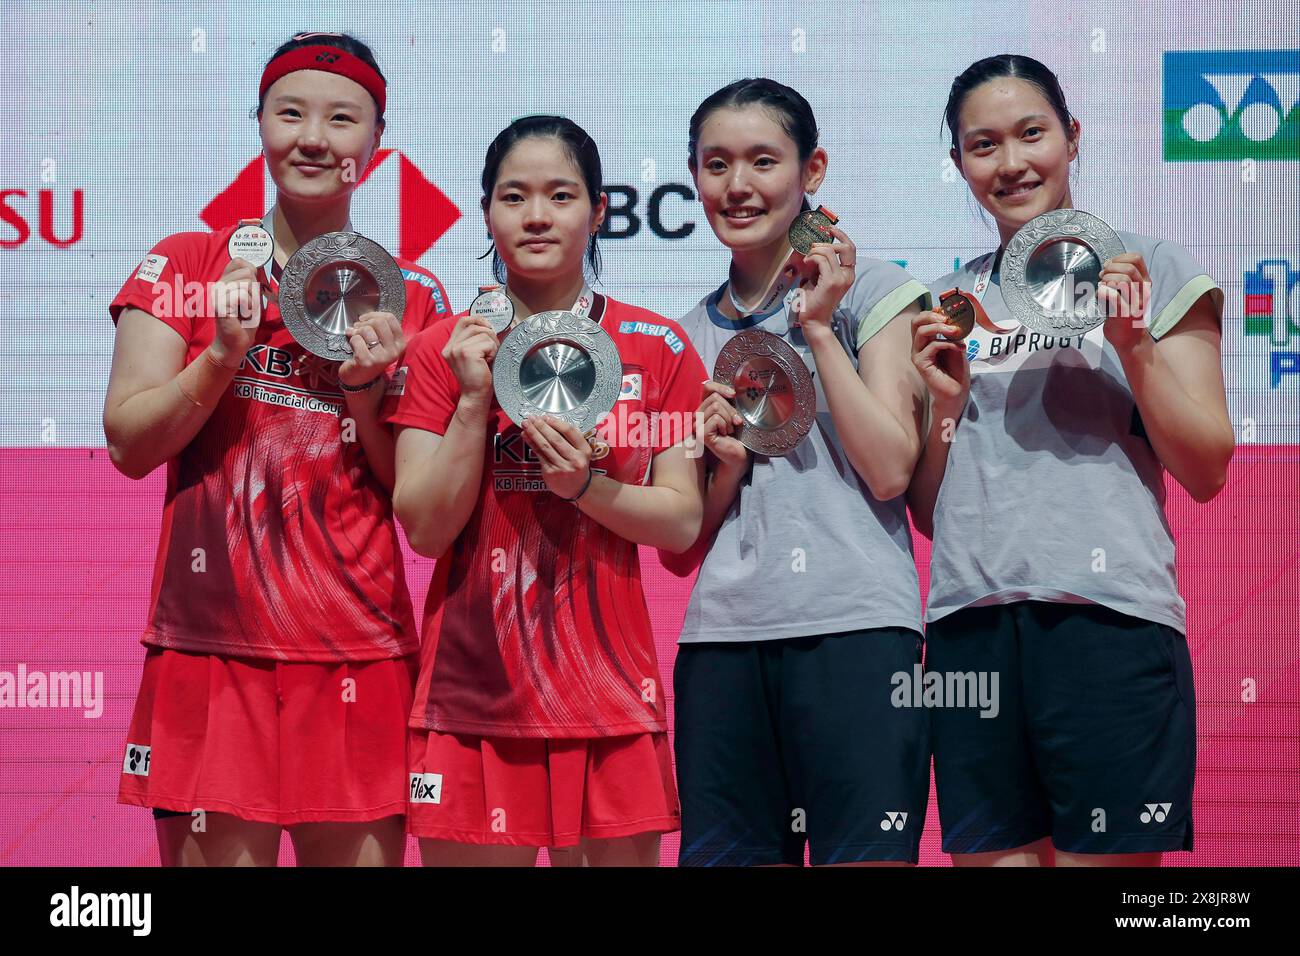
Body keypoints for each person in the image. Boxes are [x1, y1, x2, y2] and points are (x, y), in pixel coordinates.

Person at [104, 31, 452, 866]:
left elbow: (417, 508)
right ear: (257, 122)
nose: (313, 137)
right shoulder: (186, 265)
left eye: (342, 118)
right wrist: (221, 356)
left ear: (374, 144)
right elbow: (128, 443)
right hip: (209, 651)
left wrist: (367, 389)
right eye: (289, 112)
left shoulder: (413, 297)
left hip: (358, 654)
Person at [908, 54, 1234, 867]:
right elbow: (925, 510)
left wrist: (1136, 349)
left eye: (1031, 134)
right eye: (983, 146)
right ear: (959, 165)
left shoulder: (1150, 268)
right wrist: (942, 408)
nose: (1011, 163)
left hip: (1109, 618)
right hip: (967, 628)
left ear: (1072, 136)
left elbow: (1206, 468)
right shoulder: (947, 304)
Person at [385, 115, 706, 867]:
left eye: (560, 195)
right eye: (512, 196)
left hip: (610, 698)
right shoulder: (442, 347)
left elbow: (682, 520)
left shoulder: (656, 348)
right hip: (473, 698)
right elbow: (426, 529)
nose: (535, 216)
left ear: (598, 211)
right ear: (486, 210)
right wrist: (472, 400)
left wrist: (585, 488)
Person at [662, 78, 933, 867]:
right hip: (722, 643)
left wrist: (817, 330)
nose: (737, 186)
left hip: (856, 631)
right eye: (716, 165)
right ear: (694, 175)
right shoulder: (681, 337)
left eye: (762, 161)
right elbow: (681, 549)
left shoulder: (880, 291)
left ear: (811, 171)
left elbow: (889, 471)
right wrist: (721, 467)